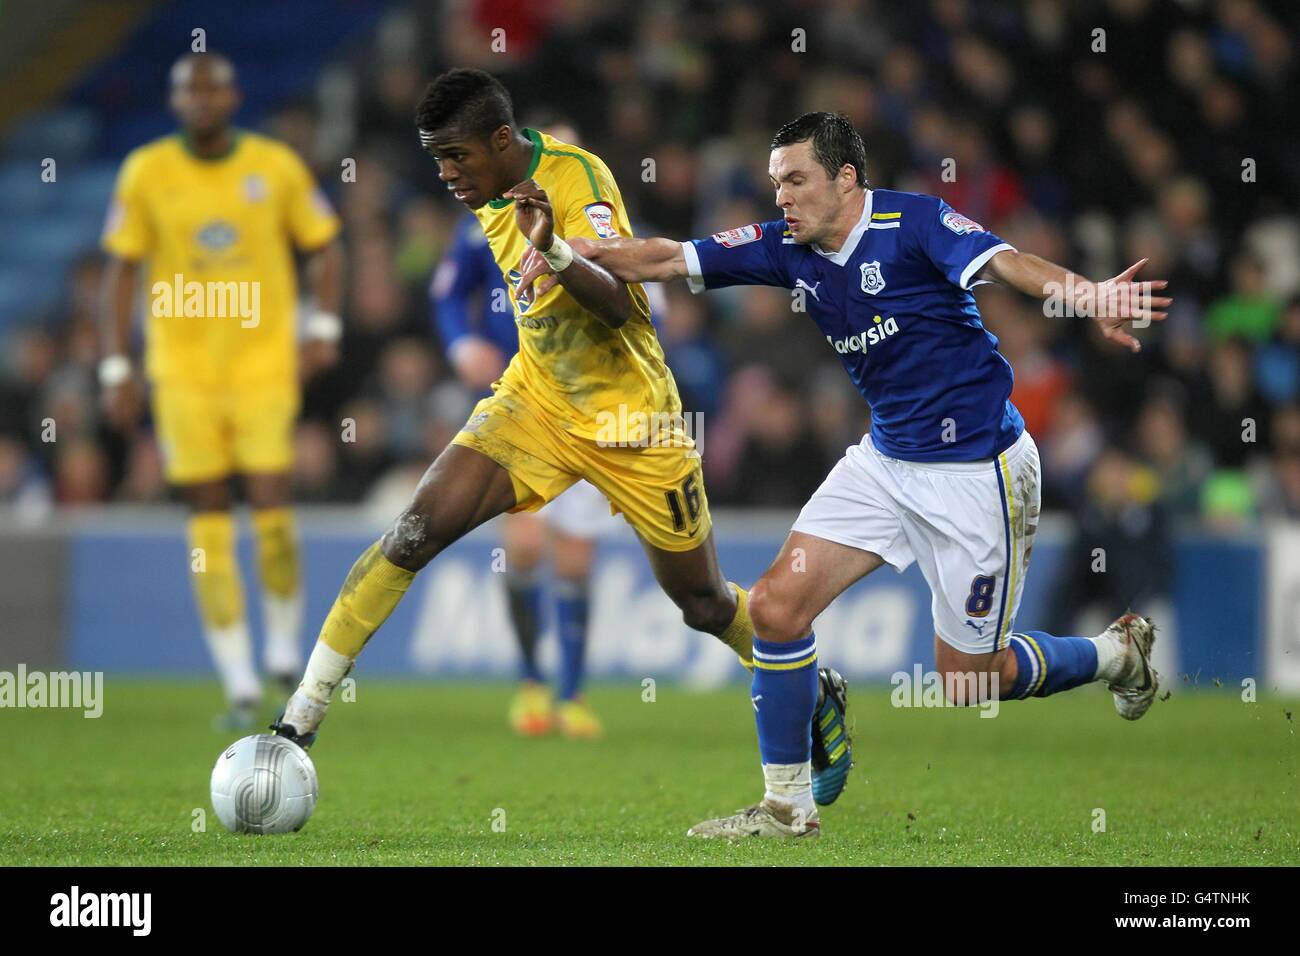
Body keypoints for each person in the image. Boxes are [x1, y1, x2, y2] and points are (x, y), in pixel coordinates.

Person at [525, 111, 1169, 839]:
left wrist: (1089, 295)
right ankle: (786, 810)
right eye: (775, 184)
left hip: (977, 472)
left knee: (968, 677)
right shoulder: (783, 248)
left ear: (846, 179)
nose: (781, 198)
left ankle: (1117, 654)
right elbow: (663, 258)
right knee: (773, 607)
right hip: (885, 462)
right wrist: (560, 248)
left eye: (796, 180)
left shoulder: (914, 222)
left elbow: (1006, 262)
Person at [271, 71, 852, 808]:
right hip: (537, 403)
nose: (446, 175)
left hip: (632, 421)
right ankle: (297, 722)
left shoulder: (579, 180)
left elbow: (619, 309)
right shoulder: (483, 198)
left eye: (456, 157)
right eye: (435, 159)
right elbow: (459, 291)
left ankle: (809, 681)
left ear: (500, 141)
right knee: (412, 531)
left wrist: (559, 253)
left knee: (702, 603)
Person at [99, 52, 344, 728]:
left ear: (233, 97)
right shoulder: (147, 171)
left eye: (211, 87)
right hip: (181, 372)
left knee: (270, 498)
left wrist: (322, 324)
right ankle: (238, 681)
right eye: (187, 90)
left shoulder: (275, 167)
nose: (200, 99)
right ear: (176, 101)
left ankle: (284, 651)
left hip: (263, 363)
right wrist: (115, 368)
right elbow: (120, 272)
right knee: (206, 512)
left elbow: (325, 243)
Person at [432, 198, 611, 738]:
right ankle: (532, 683)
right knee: (526, 544)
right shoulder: (485, 227)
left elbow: (653, 313)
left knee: (576, 558)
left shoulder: (604, 230)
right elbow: (444, 293)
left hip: (589, 405)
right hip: (522, 403)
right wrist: (462, 344)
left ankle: (572, 694)